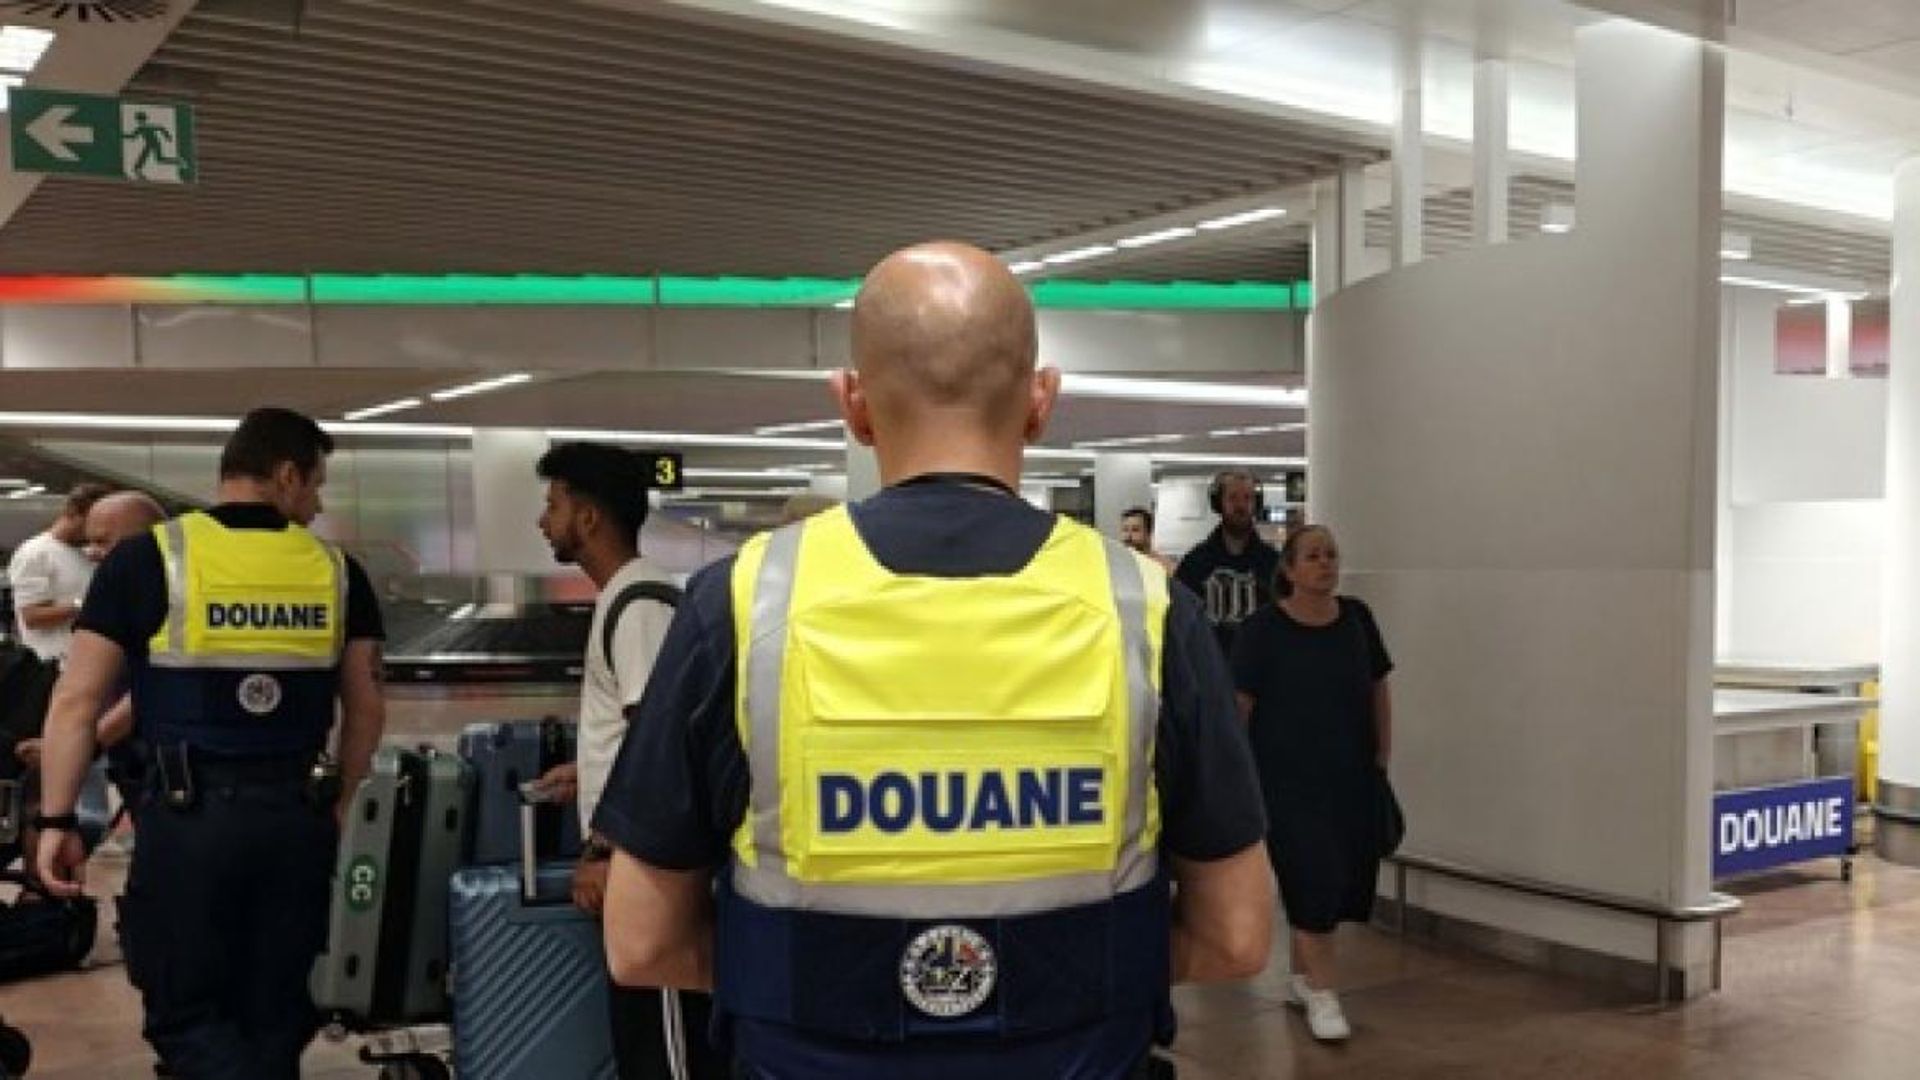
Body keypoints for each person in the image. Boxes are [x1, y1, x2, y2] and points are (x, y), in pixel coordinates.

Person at [594, 241, 1275, 1080]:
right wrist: (1063, 978)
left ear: (852, 403)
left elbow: (639, 943)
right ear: (1041, 400)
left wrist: (815, 982)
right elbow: (1237, 936)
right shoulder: (1147, 610)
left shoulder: (740, 602)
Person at [32, 407, 387, 1080]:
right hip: (295, 819)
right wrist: (339, 798)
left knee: (186, 1011)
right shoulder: (339, 572)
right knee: (276, 1011)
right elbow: (366, 707)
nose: (316, 504)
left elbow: (75, 701)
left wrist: (54, 819)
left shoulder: (148, 561)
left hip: (187, 818)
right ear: (285, 475)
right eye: (315, 485)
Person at [531, 440, 722, 1080]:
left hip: (649, 876)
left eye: (553, 504)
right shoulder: (633, 597)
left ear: (588, 518)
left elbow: (658, 745)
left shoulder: (639, 603)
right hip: (643, 865)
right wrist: (589, 773)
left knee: (664, 1049)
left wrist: (605, 850)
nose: (542, 520)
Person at [1230, 524, 1395, 1044]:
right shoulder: (1262, 631)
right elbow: (1241, 708)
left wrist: (1381, 756)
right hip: (1286, 780)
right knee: (1314, 877)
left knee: (1340, 881)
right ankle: (1325, 993)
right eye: (1313, 556)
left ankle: (1303, 978)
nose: (1325, 564)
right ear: (1290, 568)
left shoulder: (1358, 620)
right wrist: (1236, 777)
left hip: (1348, 776)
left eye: (1331, 555)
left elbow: (1378, 689)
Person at [1174, 469, 1279, 657]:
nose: (1241, 505)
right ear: (1218, 503)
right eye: (1233, 498)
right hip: (1210, 667)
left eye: (1247, 498)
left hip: (1261, 668)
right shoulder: (1196, 562)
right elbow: (1180, 619)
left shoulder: (1272, 562)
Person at [6, 483, 109, 662]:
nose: (96, 529)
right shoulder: (35, 552)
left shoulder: (85, 553)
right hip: (50, 666)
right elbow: (32, 617)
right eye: (93, 522)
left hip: (84, 661)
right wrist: (85, 604)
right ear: (74, 512)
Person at [1117, 506, 1175, 574]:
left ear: (1149, 534)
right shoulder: (1117, 564)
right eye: (1125, 530)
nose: (1128, 536)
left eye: (1135, 530)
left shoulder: (1163, 567)